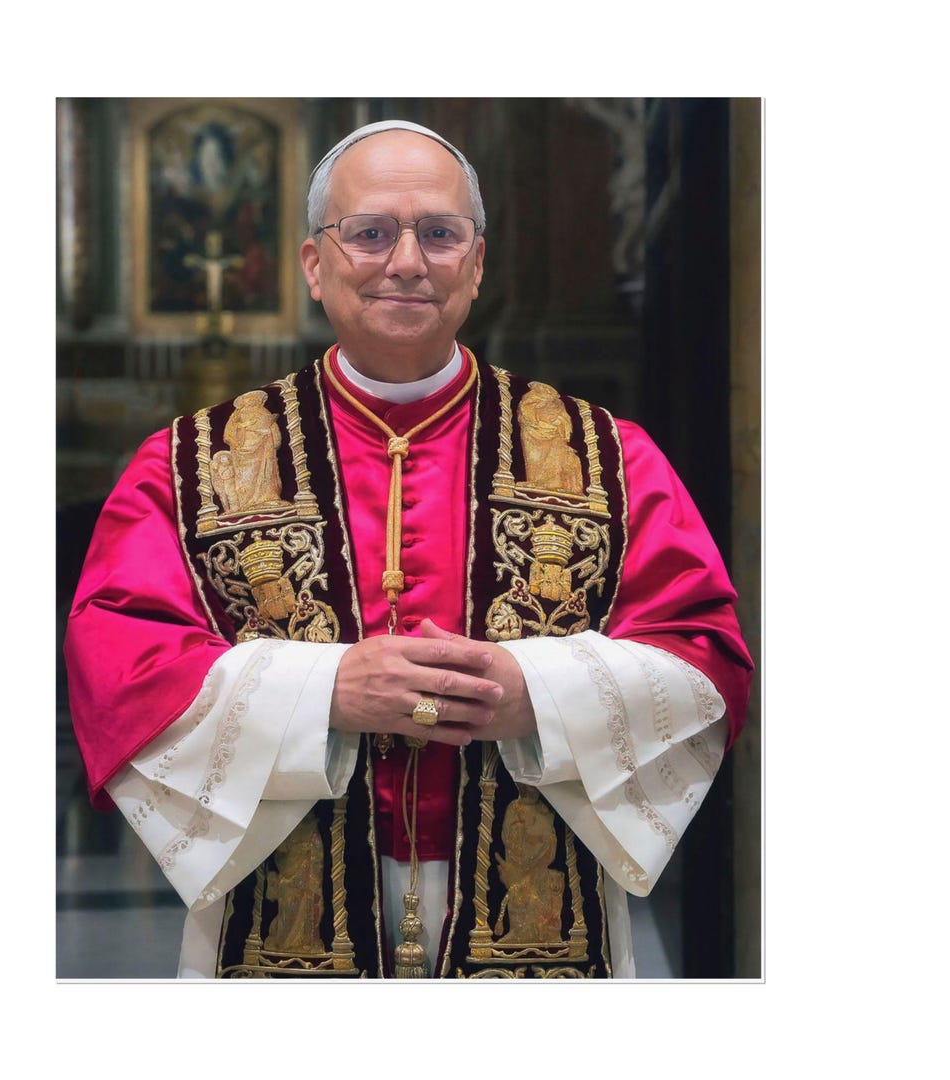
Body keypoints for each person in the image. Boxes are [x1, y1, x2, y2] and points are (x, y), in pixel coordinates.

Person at [64, 119, 753, 980]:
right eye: (370, 233)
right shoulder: (192, 463)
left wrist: (535, 694)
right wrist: (326, 691)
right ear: (315, 264)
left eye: (438, 232)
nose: (406, 261)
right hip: (278, 898)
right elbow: (117, 663)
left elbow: (706, 659)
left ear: (477, 262)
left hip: (538, 899)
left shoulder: (608, 457)